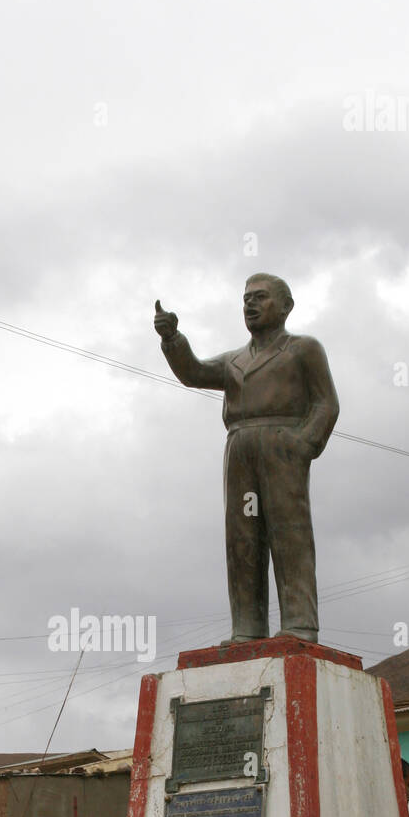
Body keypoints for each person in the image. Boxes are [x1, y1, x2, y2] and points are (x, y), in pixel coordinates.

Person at [154, 274, 339, 644]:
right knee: (243, 537)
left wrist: (303, 444)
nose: (250, 305)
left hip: (281, 444)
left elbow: (326, 403)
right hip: (240, 447)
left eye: (260, 297)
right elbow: (194, 372)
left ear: (285, 306)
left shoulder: (304, 349)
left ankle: (299, 623)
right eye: (246, 299)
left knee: (289, 531)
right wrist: (172, 339)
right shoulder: (234, 360)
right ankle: (248, 628)